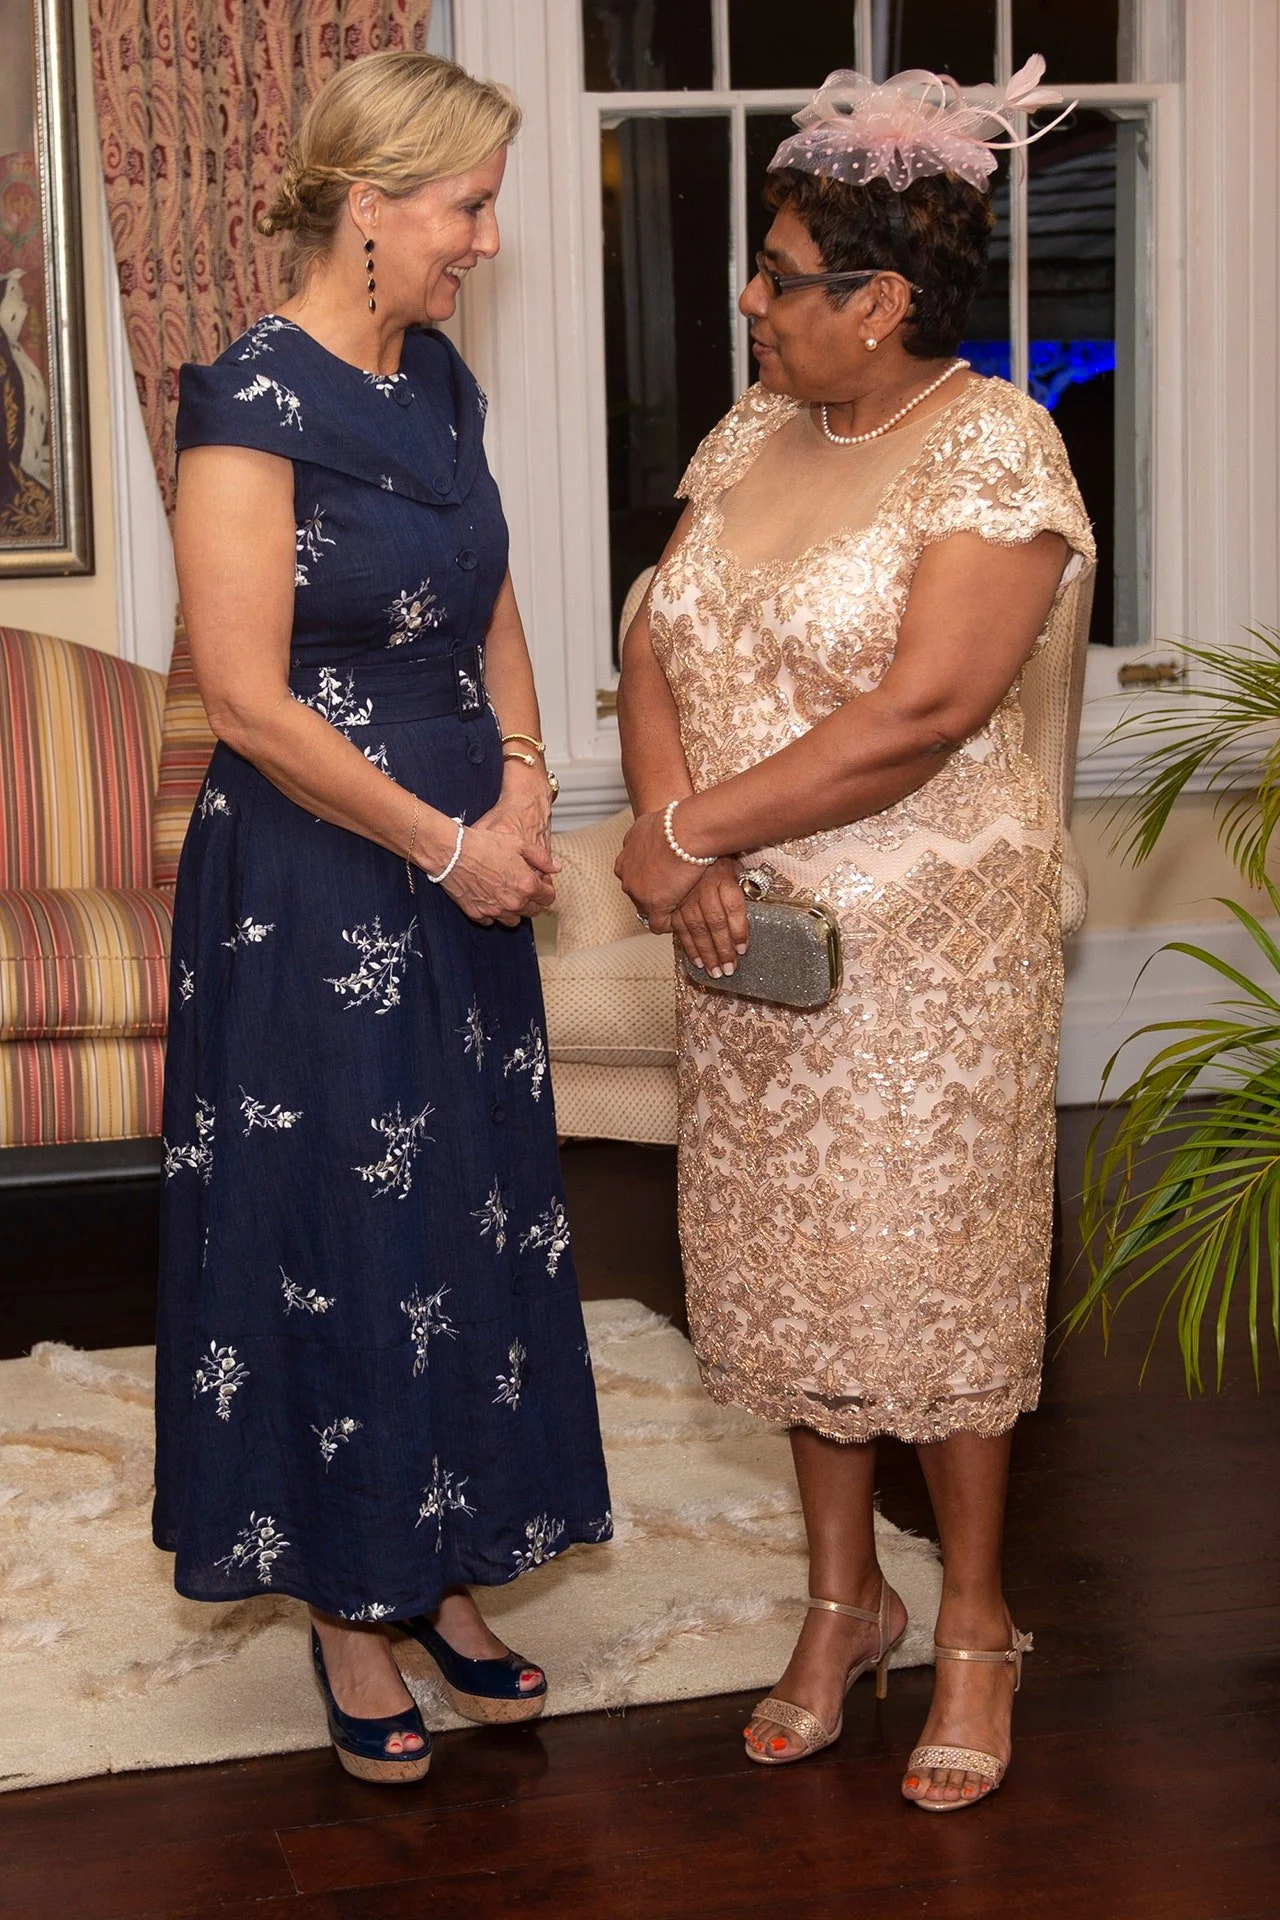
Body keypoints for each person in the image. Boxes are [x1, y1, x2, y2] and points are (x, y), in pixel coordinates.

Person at [616, 59, 1092, 1812]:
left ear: (880, 300)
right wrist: (683, 848)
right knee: (793, 1288)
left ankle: (975, 1617)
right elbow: (657, 635)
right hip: (748, 933)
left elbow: (927, 709)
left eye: (782, 271)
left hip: (920, 960)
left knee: (930, 1295)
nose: (750, 298)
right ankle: (842, 1604)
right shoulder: (751, 431)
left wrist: (681, 836)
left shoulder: (996, 446)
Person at [154, 51, 611, 1786]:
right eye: (469, 207)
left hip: (462, 849)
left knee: (468, 1227)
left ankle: (450, 1571)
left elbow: (487, 598)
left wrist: (522, 775)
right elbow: (252, 703)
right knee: (339, 1228)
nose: (486, 242)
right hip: (320, 871)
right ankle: (353, 1609)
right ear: (371, 206)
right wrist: (441, 841)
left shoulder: (434, 382)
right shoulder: (245, 405)